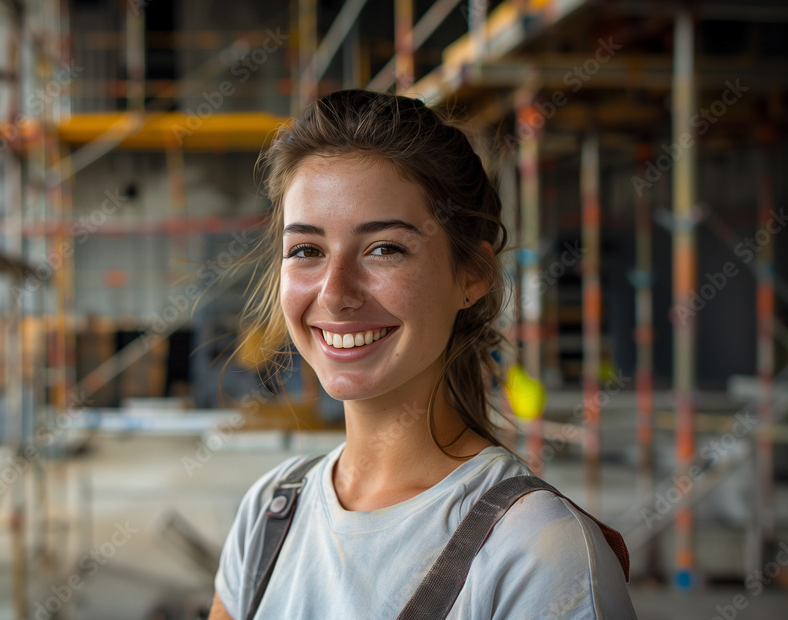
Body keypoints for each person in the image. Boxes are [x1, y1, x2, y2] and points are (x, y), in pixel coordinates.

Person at [208, 90, 636, 619]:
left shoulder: (540, 554)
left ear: (472, 275)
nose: (336, 292)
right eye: (307, 250)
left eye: (384, 248)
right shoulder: (270, 513)